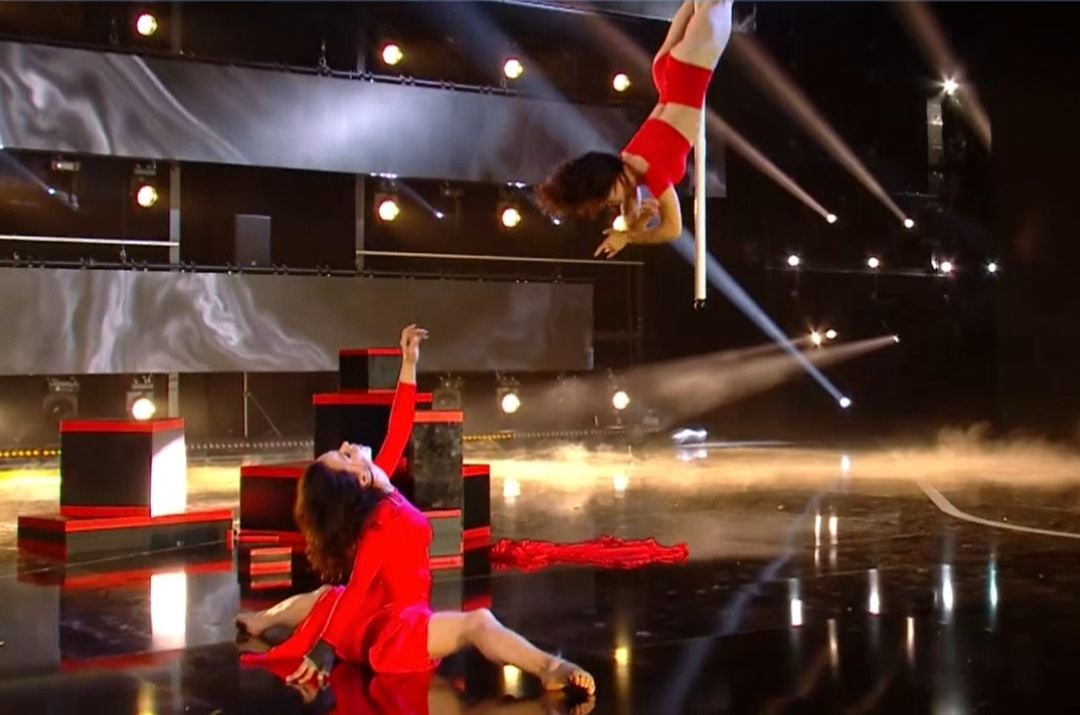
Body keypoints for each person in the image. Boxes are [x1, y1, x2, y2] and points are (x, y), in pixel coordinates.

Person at [236, 325, 594, 695]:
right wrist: (311, 651)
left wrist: (409, 362)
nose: (346, 445)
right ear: (359, 477)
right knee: (477, 621)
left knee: (327, 595)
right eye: (343, 456)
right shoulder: (380, 522)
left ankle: (258, 621)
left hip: (392, 609)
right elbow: (356, 591)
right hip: (399, 628)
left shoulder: (379, 483)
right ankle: (551, 667)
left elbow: (400, 427)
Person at [535, 0, 735, 259]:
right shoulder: (628, 161)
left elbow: (673, 229)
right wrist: (636, 225)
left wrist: (628, 236)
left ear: (612, 180)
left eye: (607, 198)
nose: (611, 204)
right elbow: (630, 216)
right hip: (668, 74)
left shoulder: (652, 172)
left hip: (688, 71)